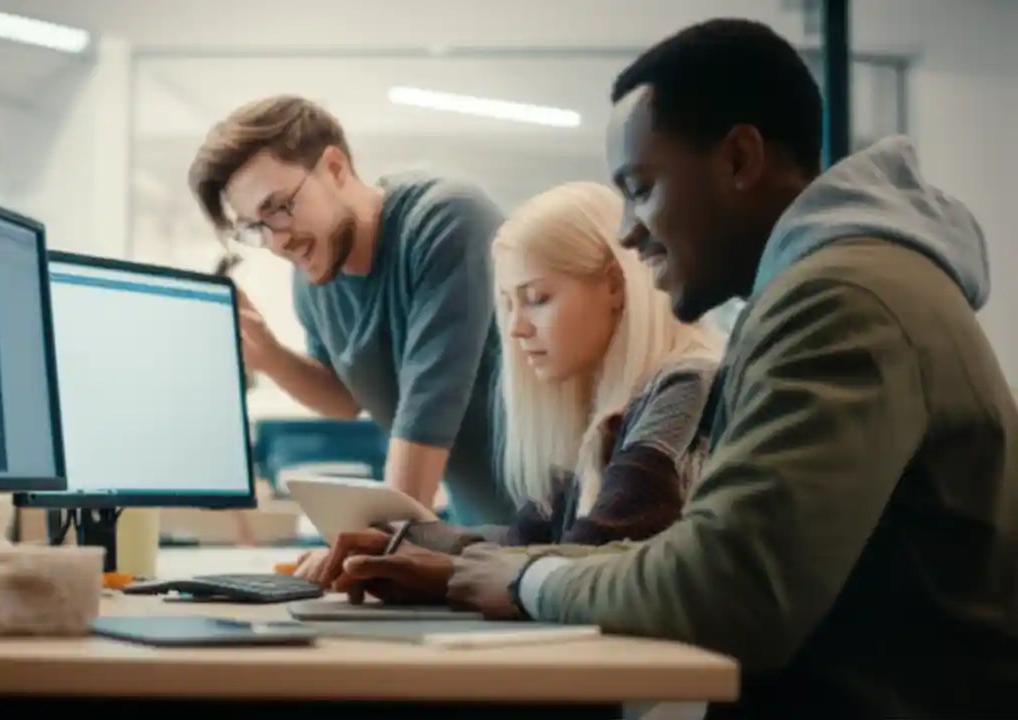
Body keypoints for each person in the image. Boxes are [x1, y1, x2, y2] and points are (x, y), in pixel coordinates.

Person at [323, 18, 1018, 719]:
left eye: (642, 188)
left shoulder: (838, 302)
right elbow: (699, 552)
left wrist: (524, 580)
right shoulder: (837, 288)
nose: (628, 230)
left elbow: (731, 589)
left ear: (740, 159)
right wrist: (483, 566)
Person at [308, 181, 723, 593]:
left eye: (537, 298)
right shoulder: (601, 410)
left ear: (615, 286)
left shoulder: (684, 388)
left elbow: (595, 556)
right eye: (509, 304)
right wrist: (398, 540)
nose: (516, 328)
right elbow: (526, 541)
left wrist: (447, 572)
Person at [187, 95, 515, 538]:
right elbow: (344, 399)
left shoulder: (446, 222)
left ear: (335, 168)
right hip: (489, 530)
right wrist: (268, 355)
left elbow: (428, 415)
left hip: (566, 524)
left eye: (279, 208)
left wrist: (368, 549)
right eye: (255, 227)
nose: (277, 243)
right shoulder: (314, 273)